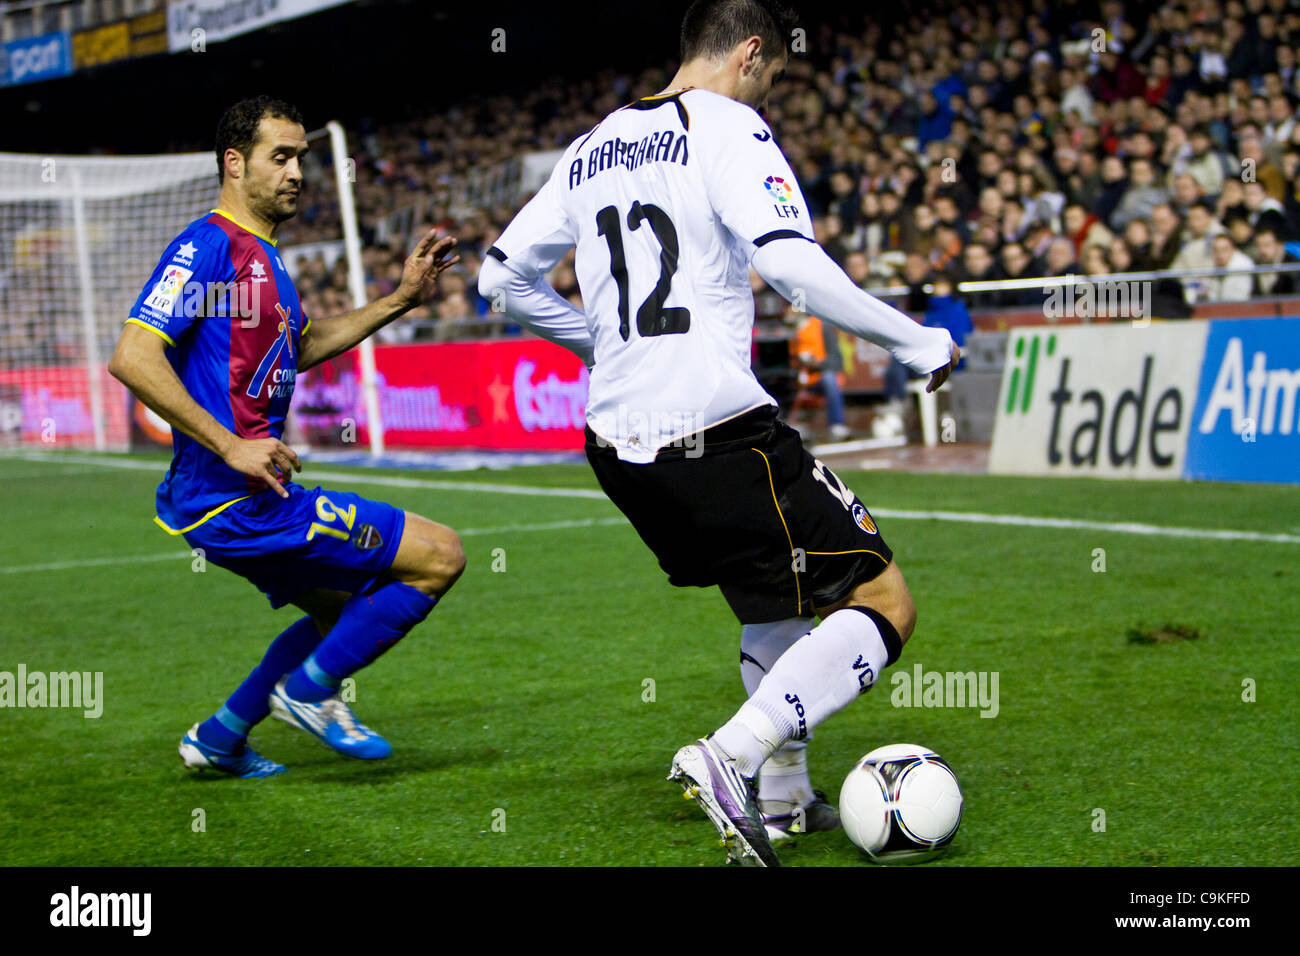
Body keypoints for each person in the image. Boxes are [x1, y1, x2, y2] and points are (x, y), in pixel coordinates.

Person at [478, 0, 957, 867]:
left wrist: (600, 339)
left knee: (774, 599)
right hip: (712, 427)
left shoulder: (588, 150)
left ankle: (780, 800)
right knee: (885, 600)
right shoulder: (730, 127)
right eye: (769, 73)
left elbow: (500, 278)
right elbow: (786, 261)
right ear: (748, 53)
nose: (766, 90)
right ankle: (730, 757)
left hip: (619, 446)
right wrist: (914, 338)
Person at [108, 97, 466, 778]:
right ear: (235, 163)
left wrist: (400, 298)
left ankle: (219, 738)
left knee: (343, 612)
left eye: (301, 156)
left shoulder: (266, 260)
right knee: (440, 555)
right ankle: (309, 694)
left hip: (243, 494)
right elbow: (133, 356)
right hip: (233, 496)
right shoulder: (208, 244)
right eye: (282, 156)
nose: (298, 171)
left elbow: (299, 349)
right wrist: (230, 444)